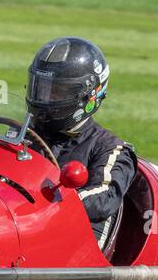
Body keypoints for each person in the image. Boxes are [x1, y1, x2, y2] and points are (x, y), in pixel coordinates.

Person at [25, 37, 136, 249]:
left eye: (57, 91)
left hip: (71, 250)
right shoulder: (24, 134)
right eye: (41, 89)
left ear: (89, 95)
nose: (46, 98)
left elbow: (104, 198)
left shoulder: (110, 148)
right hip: (22, 229)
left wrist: (44, 203)